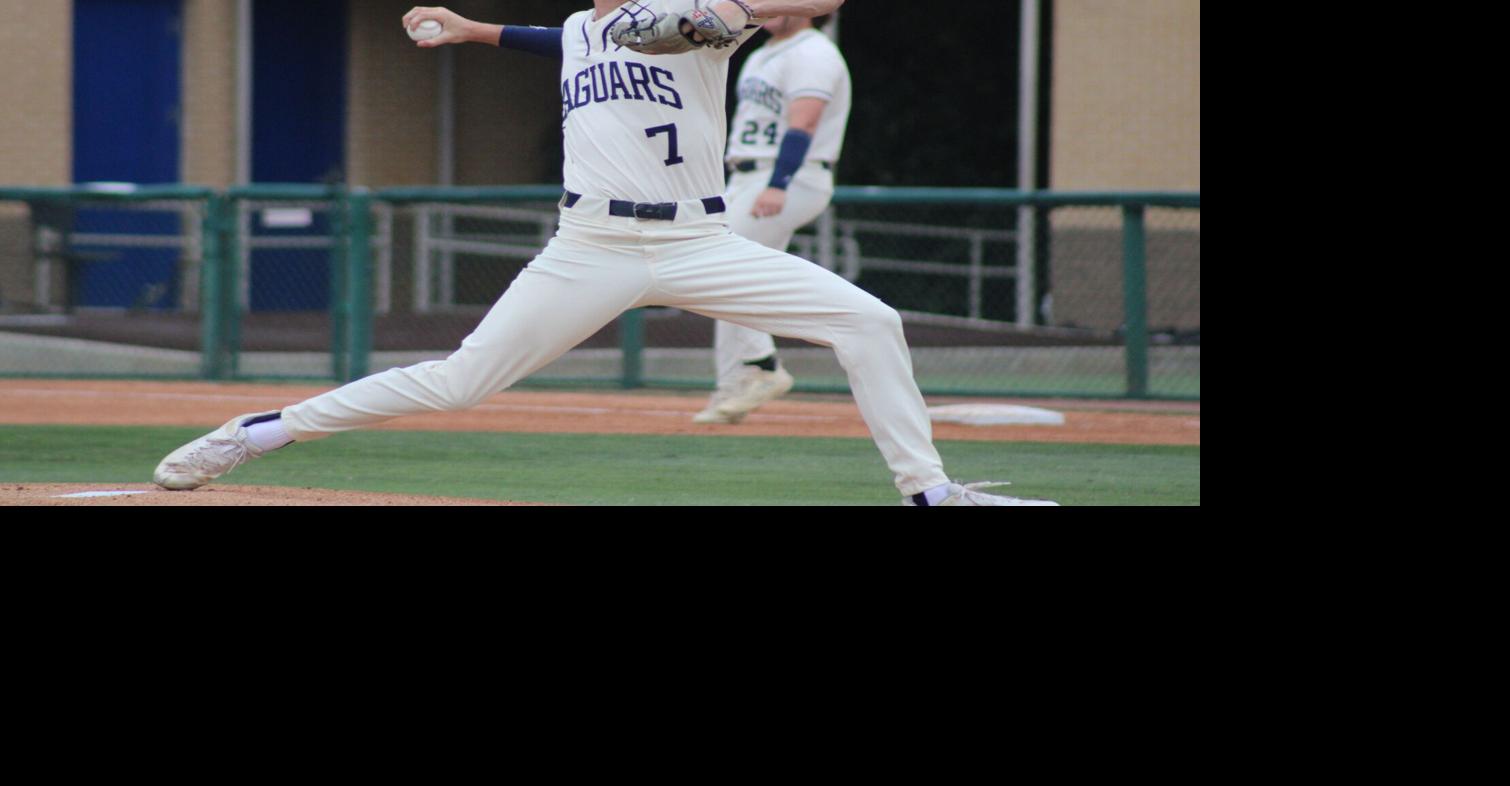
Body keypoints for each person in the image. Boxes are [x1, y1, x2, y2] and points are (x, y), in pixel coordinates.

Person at [152, 1, 1056, 507]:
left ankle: (929, 492)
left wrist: (731, 11)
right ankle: (255, 433)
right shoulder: (586, 29)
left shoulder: (699, 22)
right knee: (460, 380)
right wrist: (472, 32)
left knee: (870, 321)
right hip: (588, 245)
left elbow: (809, 2)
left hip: (701, 240)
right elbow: (561, 39)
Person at [693, 11, 845, 424]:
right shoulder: (764, 51)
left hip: (788, 176)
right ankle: (732, 386)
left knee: (716, 264)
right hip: (748, 176)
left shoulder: (814, 52)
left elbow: (805, 121)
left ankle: (762, 365)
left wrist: (779, 183)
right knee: (723, 277)